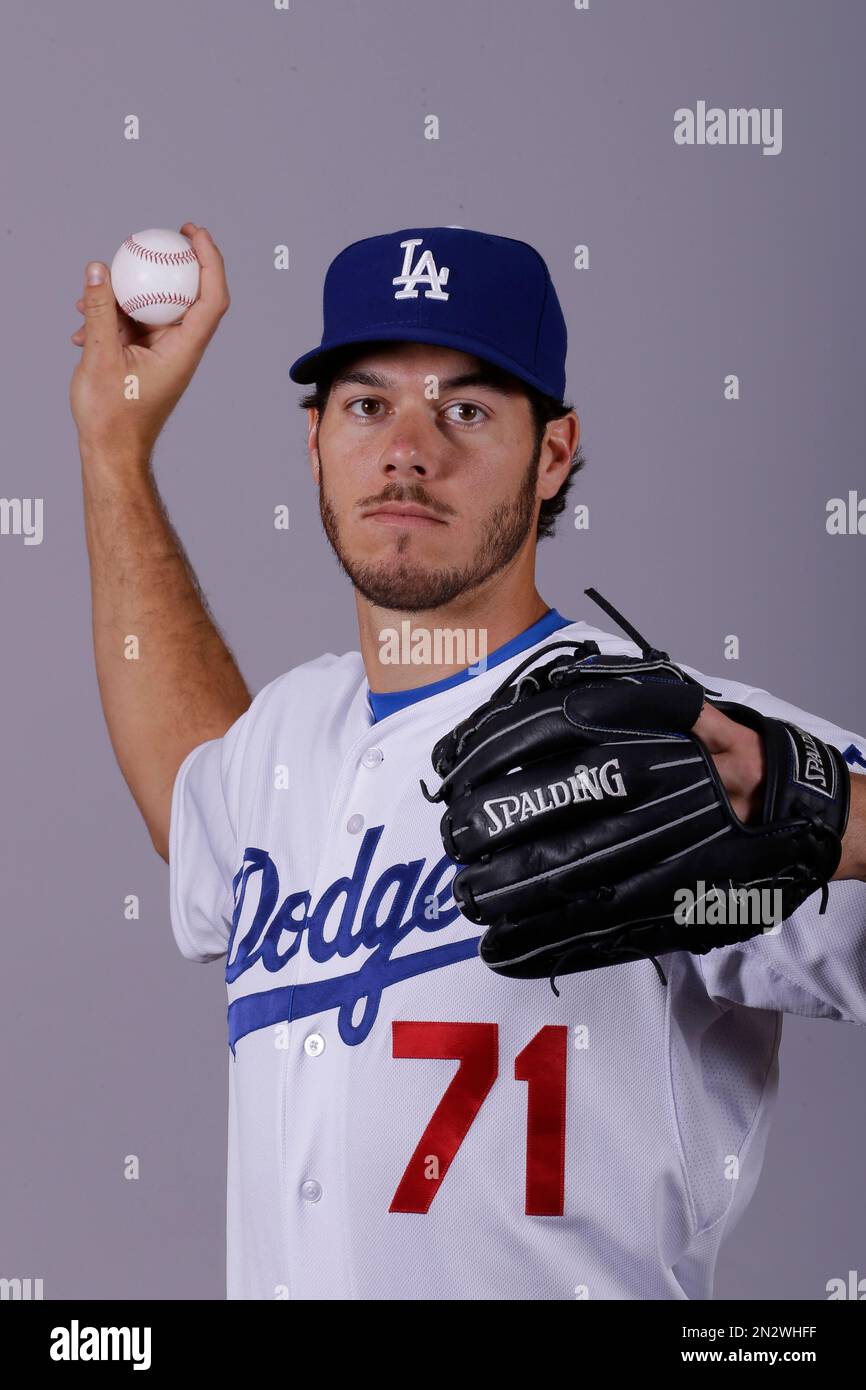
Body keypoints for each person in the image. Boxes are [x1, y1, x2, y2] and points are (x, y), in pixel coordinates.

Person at [70, 224, 866, 1301]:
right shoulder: (286, 737)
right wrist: (114, 447)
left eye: (465, 410)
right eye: (366, 405)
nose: (408, 448)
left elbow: (816, 825)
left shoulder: (670, 732)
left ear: (550, 452)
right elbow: (192, 790)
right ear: (313, 442)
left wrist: (804, 804)